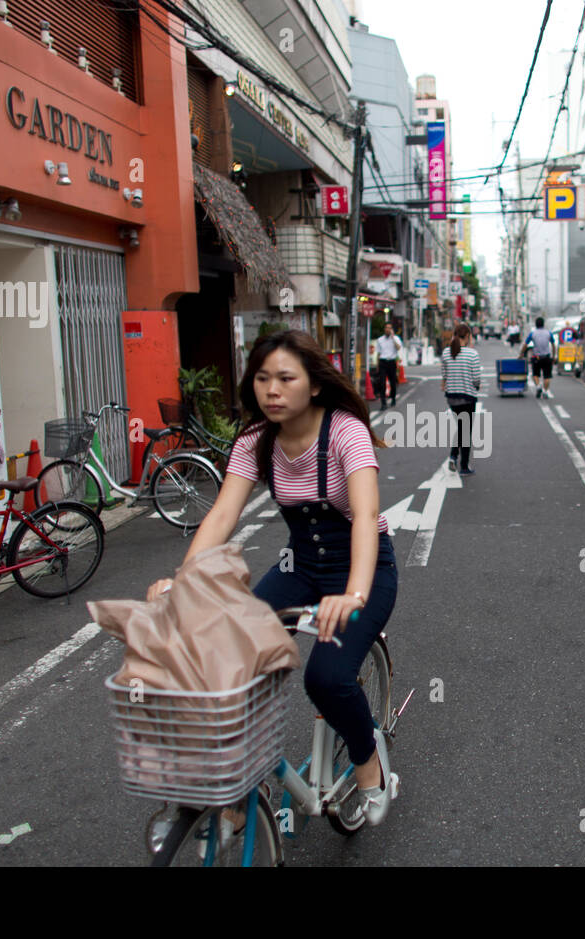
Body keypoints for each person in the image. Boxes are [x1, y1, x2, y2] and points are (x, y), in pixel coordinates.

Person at [145, 330, 398, 827]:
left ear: (315, 385)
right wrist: (182, 581)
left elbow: (366, 517)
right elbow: (222, 516)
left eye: (285, 378)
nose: (272, 390)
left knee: (325, 678)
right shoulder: (255, 440)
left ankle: (368, 762)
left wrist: (354, 595)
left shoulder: (343, 431)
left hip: (363, 568)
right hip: (300, 567)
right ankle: (242, 778)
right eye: (262, 378)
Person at [440, 322, 480, 476]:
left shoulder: (445, 353)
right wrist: (476, 386)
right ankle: (463, 466)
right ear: (468, 336)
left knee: (462, 428)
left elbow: (444, 374)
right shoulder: (472, 354)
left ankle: (454, 457)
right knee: (466, 430)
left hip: (452, 397)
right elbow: (476, 378)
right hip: (468, 397)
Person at [521, 316, 556, 398]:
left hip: (536, 357)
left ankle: (538, 386)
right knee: (547, 376)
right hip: (547, 357)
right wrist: (553, 356)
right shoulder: (548, 333)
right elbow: (553, 345)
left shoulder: (532, 334)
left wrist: (521, 354)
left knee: (535, 374)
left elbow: (525, 344)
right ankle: (545, 391)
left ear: (536, 325)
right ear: (543, 324)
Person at [375, 323, 402, 410]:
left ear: (392, 330)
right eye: (386, 328)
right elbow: (378, 353)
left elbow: (398, 348)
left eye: (390, 328)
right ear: (384, 329)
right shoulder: (380, 340)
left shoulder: (396, 338)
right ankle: (383, 403)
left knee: (392, 382)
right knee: (382, 383)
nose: (388, 329)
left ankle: (393, 398)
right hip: (383, 362)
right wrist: (377, 364)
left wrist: (393, 338)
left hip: (392, 362)